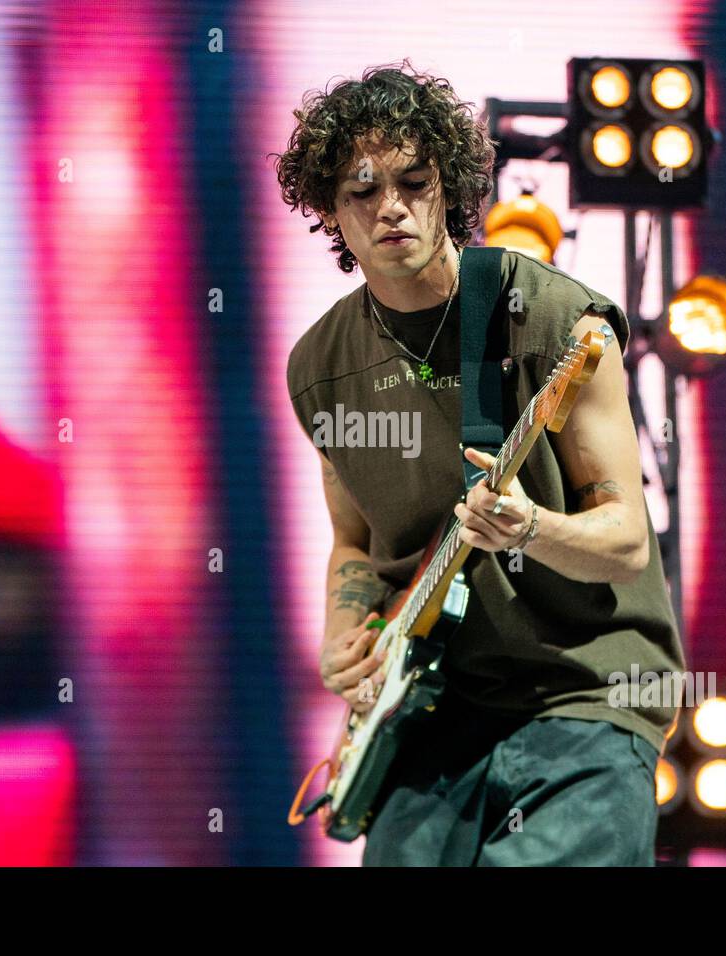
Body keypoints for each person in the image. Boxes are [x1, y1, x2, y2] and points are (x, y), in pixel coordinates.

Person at [274, 61, 686, 866]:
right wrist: (342, 634)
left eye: (414, 181)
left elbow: (626, 540)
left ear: (449, 186)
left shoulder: (557, 319)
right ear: (330, 207)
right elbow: (356, 542)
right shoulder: (318, 367)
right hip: (429, 719)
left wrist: (528, 528)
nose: (391, 208)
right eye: (362, 191)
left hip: (583, 696)